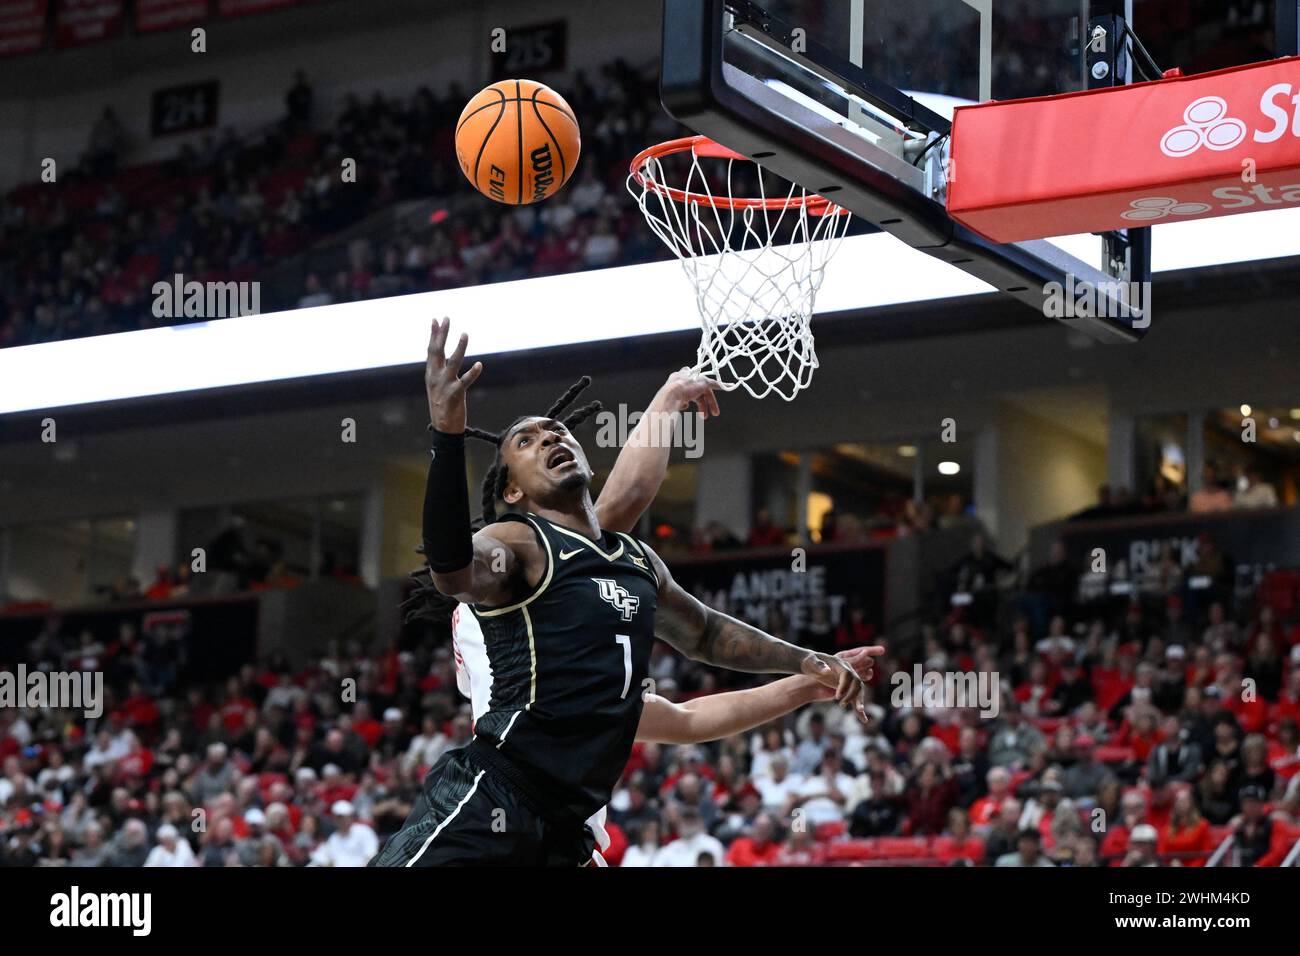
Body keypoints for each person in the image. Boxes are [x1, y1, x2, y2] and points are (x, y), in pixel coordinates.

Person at [370, 320, 871, 867]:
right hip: (496, 798)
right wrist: (446, 434)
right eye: (528, 440)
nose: (552, 438)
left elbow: (702, 637)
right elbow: (453, 569)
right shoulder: (516, 543)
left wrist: (806, 665)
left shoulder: (626, 562)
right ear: (511, 492)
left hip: (567, 834)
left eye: (557, 431)